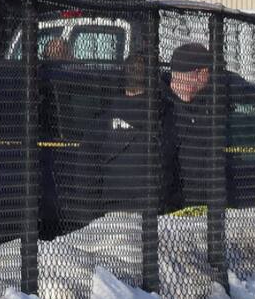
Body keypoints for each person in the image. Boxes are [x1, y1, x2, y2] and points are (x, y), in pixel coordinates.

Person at [86, 54, 177, 232]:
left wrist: (90, 214)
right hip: (154, 210)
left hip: (111, 212)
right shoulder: (166, 117)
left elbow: (86, 167)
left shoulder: (104, 118)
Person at [165, 42, 215, 210]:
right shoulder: (161, 108)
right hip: (172, 213)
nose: (210, 78)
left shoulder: (209, 102)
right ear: (198, 73)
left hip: (204, 207)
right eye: (208, 72)